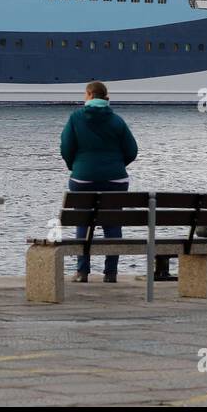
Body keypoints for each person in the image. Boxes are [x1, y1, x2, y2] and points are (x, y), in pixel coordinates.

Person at [60, 80, 139, 283]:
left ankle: (82, 271)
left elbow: (66, 147)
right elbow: (132, 150)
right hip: (116, 179)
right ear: (104, 96)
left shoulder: (76, 118)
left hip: (82, 178)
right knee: (113, 224)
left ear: (88, 95)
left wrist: (76, 166)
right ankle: (110, 273)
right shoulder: (117, 120)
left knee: (82, 223)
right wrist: (116, 165)